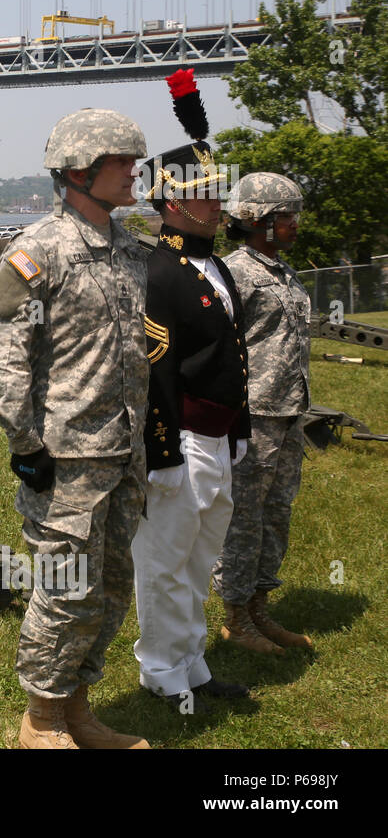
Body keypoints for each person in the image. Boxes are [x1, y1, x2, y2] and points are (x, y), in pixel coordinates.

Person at [0, 108, 150, 749]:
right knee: (64, 589)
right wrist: (25, 443)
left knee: (109, 587)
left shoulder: (129, 248)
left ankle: (77, 709)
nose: (135, 171)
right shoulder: (38, 251)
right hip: (66, 456)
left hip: (121, 450)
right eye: (122, 162)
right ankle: (40, 720)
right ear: (81, 171)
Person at [134, 69, 251, 712]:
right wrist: (164, 454)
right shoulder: (160, 273)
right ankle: (160, 673)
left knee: (201, 560)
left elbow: (228, 356)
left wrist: (238, 434)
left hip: (219, 436)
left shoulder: (216, 265)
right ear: (172, 204)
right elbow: (156, 369)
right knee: (167, 565)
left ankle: (192, 663)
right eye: (207, 195)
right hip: (179, 439)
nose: (219, 204)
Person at [212, 173, 314, 652]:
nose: (295, 224)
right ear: (259, 221)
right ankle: (236, 616)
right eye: (286, 217)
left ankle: (259, 607)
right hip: (252, 416)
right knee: (243, 518)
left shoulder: (284, 273)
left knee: (276, 514)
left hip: (288, 413)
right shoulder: (233, 274)